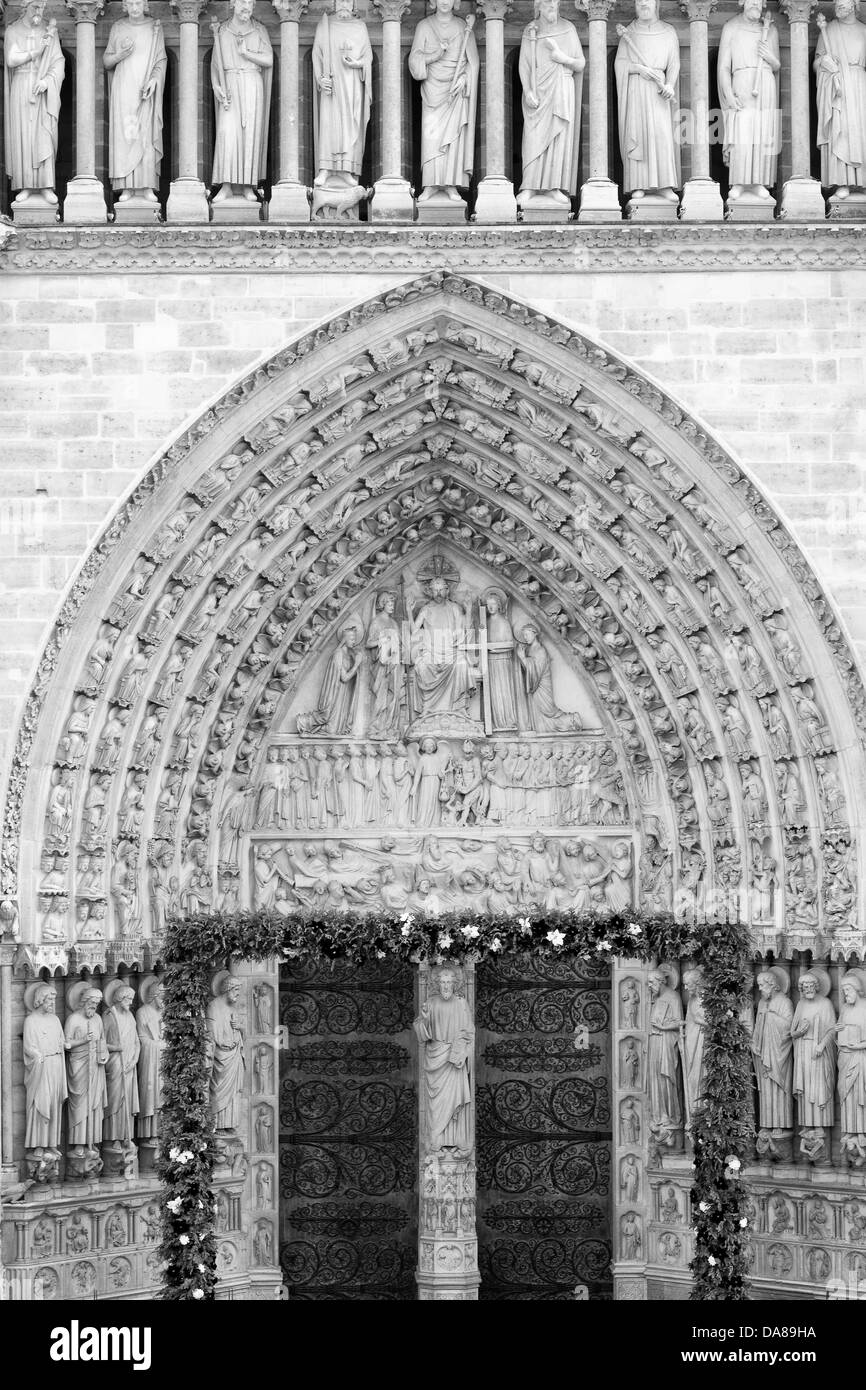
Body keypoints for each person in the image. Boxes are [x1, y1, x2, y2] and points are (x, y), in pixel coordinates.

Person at [408, 0, 479, 203]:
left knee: (453, 138)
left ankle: (450, 184)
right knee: (432, 137)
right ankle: (430, 185)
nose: (445, 1)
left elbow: (472, 63)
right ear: (433, 2)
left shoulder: (463, 28)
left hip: (455, 89)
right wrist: (435, 55)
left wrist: (465, 79)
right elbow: (414, 60)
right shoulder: (424, 26)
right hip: (433, 88)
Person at [518, 0, 584, 208]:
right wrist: (528, 90)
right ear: (538, 6)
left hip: (562, 87)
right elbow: (524, 65)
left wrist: (562, 58)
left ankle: (555, 186)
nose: (552, 6)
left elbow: (580, 63)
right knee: (533, 136)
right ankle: (529, 185)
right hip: (538, 90)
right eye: (547, 4)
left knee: (559, 136)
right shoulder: (531, 31)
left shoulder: (568, 29)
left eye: (554, 3)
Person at [614, 0, 680, 202]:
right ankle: (638, 184)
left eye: (647, 1)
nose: (643, 4)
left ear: (656, 4)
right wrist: (638, 69)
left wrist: (669, 85)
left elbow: (674, 63)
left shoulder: (669, 32)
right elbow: (620, 65)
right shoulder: (629, 33)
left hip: (659, 91)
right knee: (639, 134)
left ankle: (664, 184)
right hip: (637, 88)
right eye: (638, 2)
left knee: (661, 135)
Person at [103, 0, 167, 205]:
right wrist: (120, 54)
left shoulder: (154, 27)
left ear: (145, 5)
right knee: (126, 135)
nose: (135, 7)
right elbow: (107, 61)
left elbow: (161, 60)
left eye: (138, 2)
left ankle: (146, 185)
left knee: (145, 134)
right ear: (125, 6)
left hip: (144, 88)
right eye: (130, 3)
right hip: (124, 88)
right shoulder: (118, 27)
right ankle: (126, 186)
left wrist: (154, 80)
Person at [717, 0, 780, 202]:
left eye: (759, 1)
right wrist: (728, 94)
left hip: (765, 83)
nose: (756, 4)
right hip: (742, 81)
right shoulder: (731, 27)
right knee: (742, 131)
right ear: (742, 2)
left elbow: (777, 64)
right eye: (751, 0)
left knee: (762, 132)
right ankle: (739, 182)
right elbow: (724, 67)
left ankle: (759, 181)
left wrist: (769, 57)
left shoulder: (770, 30)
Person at [3, 0, 65, 207]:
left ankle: (46, 186)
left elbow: (58, 62)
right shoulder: (13, 30)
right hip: (21, 86)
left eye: (41, 7)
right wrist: (35, 53)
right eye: (34, 7)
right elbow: (11, 59)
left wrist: (47, 81)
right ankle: (26, 185)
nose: (39, 11)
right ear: (24, 7)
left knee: (44, 133)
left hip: (42, 90)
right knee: (24, 136)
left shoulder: (50, 31)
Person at [210, 0, 273, 203]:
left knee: (250, 136)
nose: (246, 6)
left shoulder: (259, 30)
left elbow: (269, 59)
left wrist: (246, 53)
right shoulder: (221, 31)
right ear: (233, 4)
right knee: (227, 135)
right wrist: (216, 86)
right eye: (242, 2)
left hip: (251, 83)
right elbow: (215, 65)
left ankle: (248, 185)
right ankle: (226, 185)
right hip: (229, 84)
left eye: (249, 3)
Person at [414, 964, 474, 1154]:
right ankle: (437, 1139)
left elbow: (470, 1031)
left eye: (449, 982)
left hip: (454, 1059)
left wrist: (462, 1050)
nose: (446, 986)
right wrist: (423, 1019)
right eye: (442, 982)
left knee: (456, 1101)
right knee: (436, 1104)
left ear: (455, 984)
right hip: (436, 1059)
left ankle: (458, 1139)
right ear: (437, 984)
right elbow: (422, 1035)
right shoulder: (430, 1003)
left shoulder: (461, 1003)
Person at [312, 0, 372, 189]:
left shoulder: (360, 27)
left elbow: (368, 56)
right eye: (341, 1)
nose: (344, 4)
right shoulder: (325, 25)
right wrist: (321, 79)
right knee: (329, 123)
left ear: (354, 4)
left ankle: (346, 170)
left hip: (352, 83)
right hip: (332, 83)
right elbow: (317, 54)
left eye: (348, 1)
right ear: (335, 3)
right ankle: (325, 169)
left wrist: (358, 64)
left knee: (350, 124)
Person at [815, 0, 866, 195]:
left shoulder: (864, 30)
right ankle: (843, 182)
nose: (837, 6)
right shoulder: (829, 30)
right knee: (841, 128)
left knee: (860, 131)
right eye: (836, 4)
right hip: (838, 86)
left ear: (854, 5)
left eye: (842, 3)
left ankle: (862, 183)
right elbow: (816, 62)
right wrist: (824, 63)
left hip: (860, 85)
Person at [23, 983, 67, 1172]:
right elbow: (28, 1046)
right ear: (40, 1000)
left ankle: (50, 1142)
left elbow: (62, 1041)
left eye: (54, 999)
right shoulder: (31, 1021)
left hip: (57, 1064)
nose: (52, 1003)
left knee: (54, 1105)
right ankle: (38, 1145)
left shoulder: (56, 1020)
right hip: (41, 1066)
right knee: (40, 1104)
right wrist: (36, 1055)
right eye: (49, 999)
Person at [64, 984, 109, 1155]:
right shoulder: (73, 1019)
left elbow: (102, 1041)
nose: (94, 1007)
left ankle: (92, 1140)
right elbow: (66, 1044)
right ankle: (78, 1144)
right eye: (92, 1003)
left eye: (96, 1004)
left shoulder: (97, 1019)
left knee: (94, 1104)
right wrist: (83, 1039)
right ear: (84, 1002)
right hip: (79, 1066)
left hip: (95, 1066)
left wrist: (103, 1055)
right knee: (80, 1105)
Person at [516, 623, 579, 732]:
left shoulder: (540, 650)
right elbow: (529, 669)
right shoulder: (530, 649)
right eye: (524, 635)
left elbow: (536, 672)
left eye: (527, 634)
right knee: (539, 711)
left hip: (540, 685)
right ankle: (543, 728)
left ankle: (571, 720)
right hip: (535, 685)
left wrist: (522, 658)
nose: (525, 638)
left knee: (547, 710)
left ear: (534, 634)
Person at [752, 967, 794, 1132]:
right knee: (766, 1090)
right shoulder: (762, 1002)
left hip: (779, 1054)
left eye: (762, 985)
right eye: (759, 986)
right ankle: (767, 1124)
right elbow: (757, 1025)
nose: (760, 989)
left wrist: (771, 1017)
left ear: (773, 985)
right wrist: (754, 1042)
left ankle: (781, 1124)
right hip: (764, 1052)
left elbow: (790, 1027)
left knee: (779, 1089)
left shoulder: (785, 1002)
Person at [103, 981, 140, 1151]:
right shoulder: (109, 1016)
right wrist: (116, 1048)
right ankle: (113, 1138)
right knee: (115, 1101)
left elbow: (136, 1041)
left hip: (129, 1065)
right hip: (115, 1063)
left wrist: (134, 1060)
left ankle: (126, 1135)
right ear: (120, 998)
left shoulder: (130, 1016)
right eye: (128, 999)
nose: (131, 1002)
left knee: (127, 1100)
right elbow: (101, 1043)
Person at [206, 974, 246, 1132]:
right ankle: (218, 1125)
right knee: (218, 1089)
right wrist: (225, 1043)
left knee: (234, 1093)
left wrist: (240, 1027)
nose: (238, 994)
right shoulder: (213, 1006)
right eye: (236, 990)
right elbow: (212, 1034)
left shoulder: (232, 1007)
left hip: (233, 1055)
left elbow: (240, 1031)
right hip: (220, 1056)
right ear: (228, 989)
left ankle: (229, 1124)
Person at [367, 591, 405, 737]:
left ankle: (389, 727)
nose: (392, 606)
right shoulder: (377, 621)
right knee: (381, 696)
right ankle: (375, 727)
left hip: (394, 663)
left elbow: (400, 642)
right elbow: (369, 643)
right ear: (382, 604)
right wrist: (381, 641)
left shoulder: (394, 623)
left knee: (394, 696)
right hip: (382, 665)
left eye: (393, 603)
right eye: (389, 603)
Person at [136, 977, 164, 1142]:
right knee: (150, 1093)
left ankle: (164, 1132)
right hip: (150, 1060)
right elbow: (141, 1038)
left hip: (164, 1060)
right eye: (162, 997)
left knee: (165, 1096)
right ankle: (149, 1134)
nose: (165, 1001)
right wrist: (157, 1045)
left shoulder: (166, 1013)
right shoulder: (142, 1012)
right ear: (154, 995)